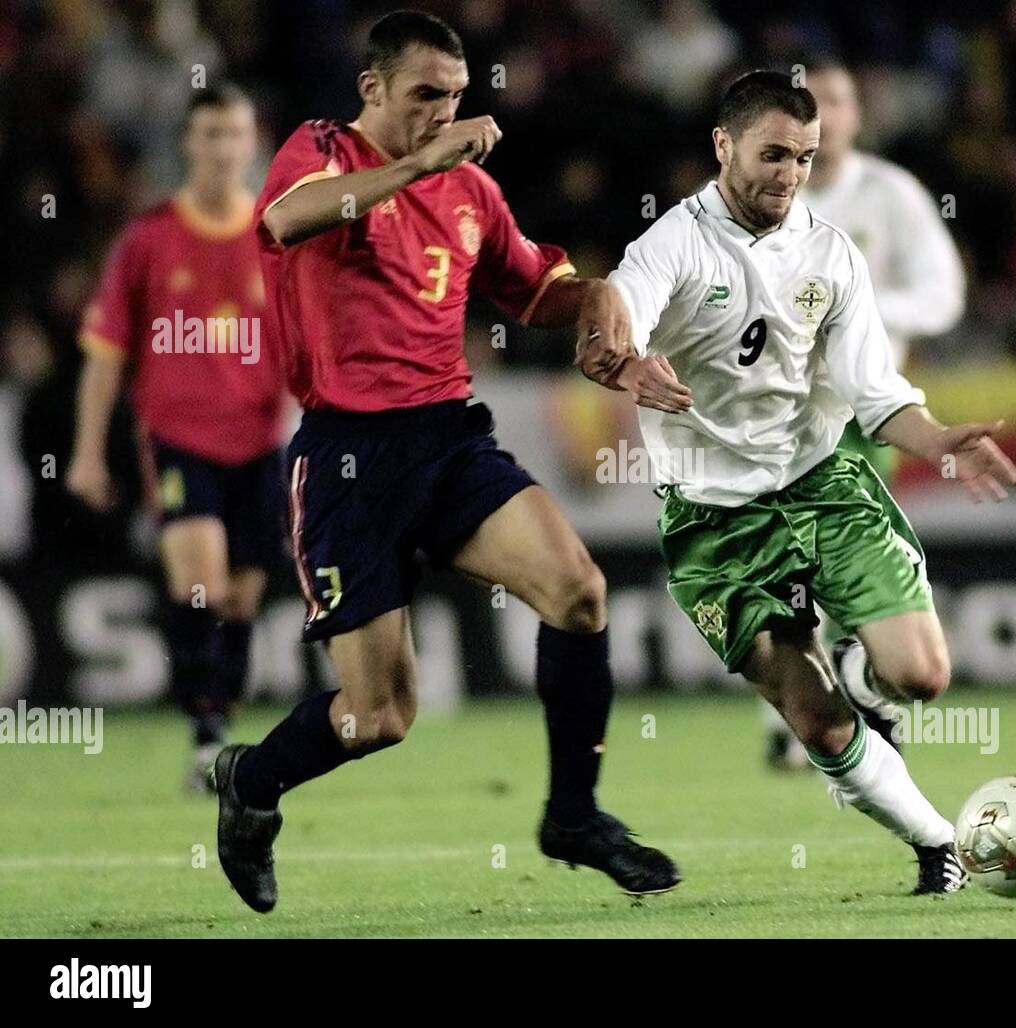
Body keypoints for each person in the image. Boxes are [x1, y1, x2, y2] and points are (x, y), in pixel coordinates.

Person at [211, 10, 689, 914]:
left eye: (457, 97)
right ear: (374, 89)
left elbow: (533, 286)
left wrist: (602, 302)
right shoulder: (323, 152)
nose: (444, 112)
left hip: (448, 439)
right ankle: (253, 782)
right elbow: (284, 220)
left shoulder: (471, 194)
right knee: (379, 717)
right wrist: (415, 167)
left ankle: (574, 815)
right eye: (425, 93)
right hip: (348, 456)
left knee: (579, 592)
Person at [585, 71, 1016, 893]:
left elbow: (877, 390)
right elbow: (612, 320)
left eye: (805, 157)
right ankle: (940, 847)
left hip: (823, 484)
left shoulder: (831, 253)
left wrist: (938, 442)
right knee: (818, 728)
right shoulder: (670, 246)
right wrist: (627, 365)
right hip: (714, 522)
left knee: (922, 678)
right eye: (774, 154)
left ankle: (862, 674)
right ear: (724, 146)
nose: (790, 174)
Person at [69, 84, 287, 792]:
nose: (222, 148)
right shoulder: (151, 238)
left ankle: (218, 714)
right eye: (209, 135)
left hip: (259, 443)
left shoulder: (279, 236)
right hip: (179, 439)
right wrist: (86, 451)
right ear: (189, 144)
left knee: (242, 601)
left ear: (252, 144)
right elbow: (106, 353)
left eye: (234, 134)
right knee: (201, 585)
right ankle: (206, 737)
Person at [758, 58, 969, 769]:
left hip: (867, 409)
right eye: (816, 103)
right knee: (785, 564)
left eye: (841, 101)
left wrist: (863, 311)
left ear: (854, 114)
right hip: (774, 414)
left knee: (853, 558)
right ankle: (823, 700)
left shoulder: (891, 194)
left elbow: (943, 295)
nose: (830, 114)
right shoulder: (762, 199)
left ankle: (854, 695)